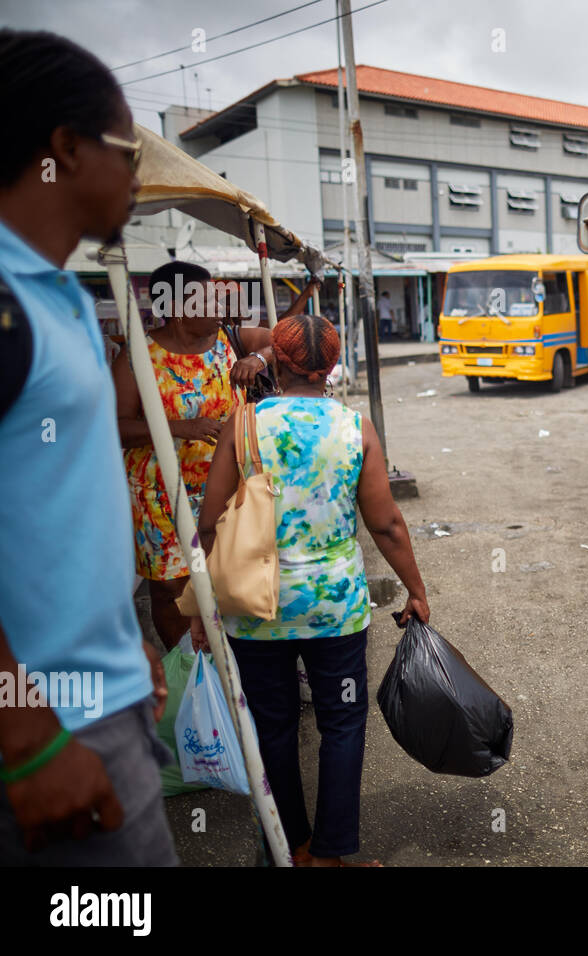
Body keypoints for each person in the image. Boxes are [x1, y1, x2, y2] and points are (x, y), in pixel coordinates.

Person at [0, 29, 175, 866]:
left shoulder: (61, 295)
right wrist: (25, 732)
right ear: (63, 150)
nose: (138, 172)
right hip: (51, 736)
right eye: (126, 147)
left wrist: (113, 632)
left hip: (103, 698)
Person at [192, 314, 429, 867]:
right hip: (333, 610)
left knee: (271, 727)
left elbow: (208, 522)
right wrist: (415, 590)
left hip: (254, 608)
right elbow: (387, 524)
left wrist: (203, 606)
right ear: (333, 365)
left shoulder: (243, 423)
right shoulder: (355, 428)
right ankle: (331, 855)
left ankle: (290, 849)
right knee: (342, 723)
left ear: (278, 357)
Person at [112, 262, 269, 647]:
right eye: (210, 299)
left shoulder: (231, 338)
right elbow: (114, 426)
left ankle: (236, 663)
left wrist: (259, 358)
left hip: (229, 491)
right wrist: (181, 428)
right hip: (162, 499)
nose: (220, 305)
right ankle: (190, 669)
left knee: (230, 579)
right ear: (181, 309)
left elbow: (288, 337)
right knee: (171, 591)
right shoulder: (138, 357)